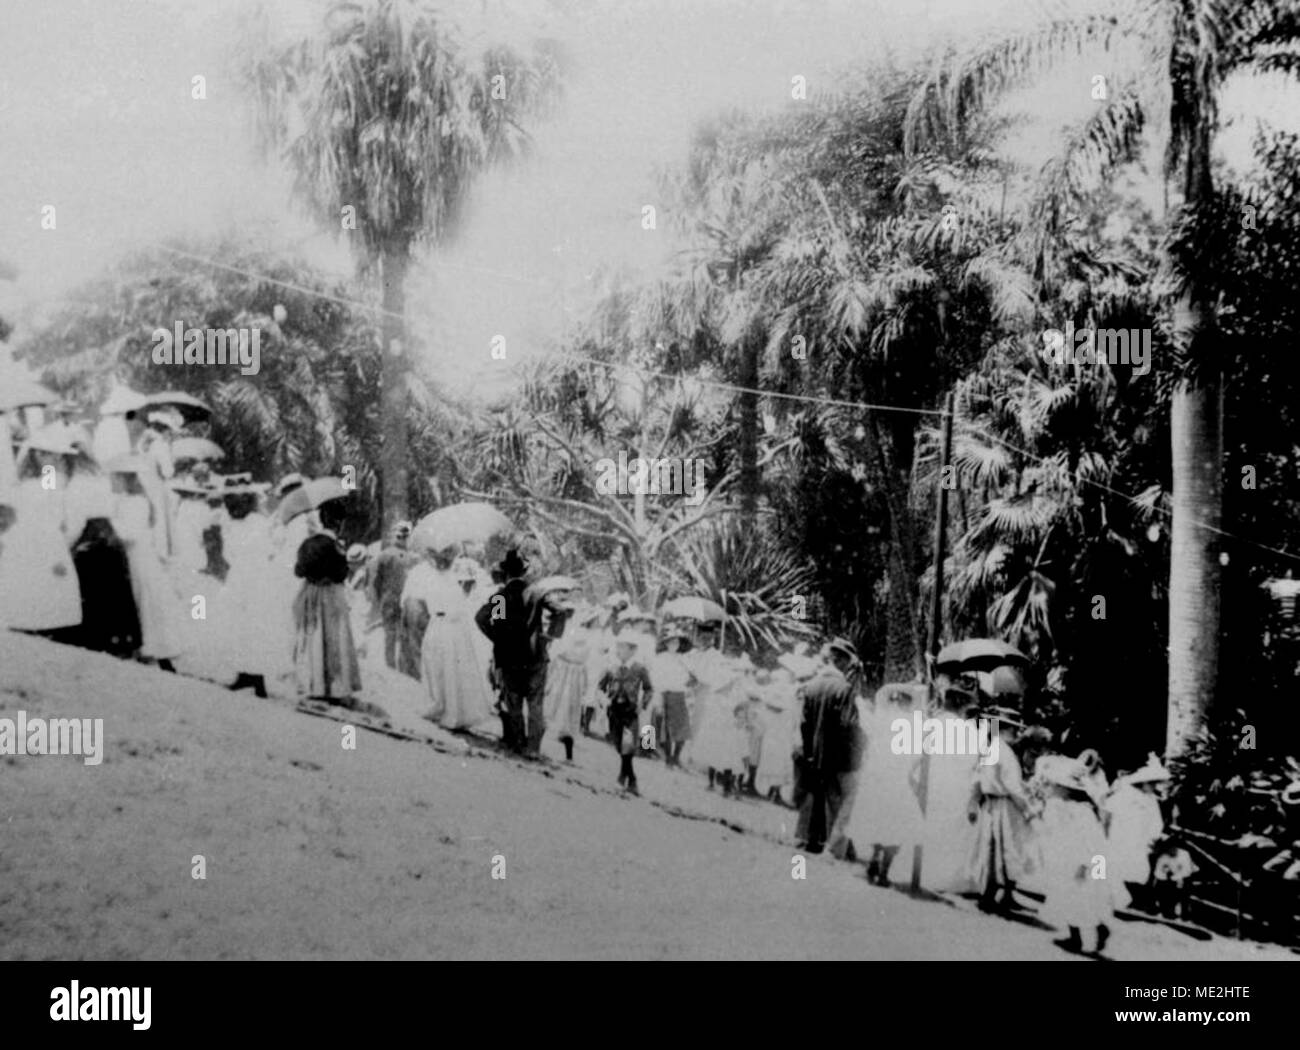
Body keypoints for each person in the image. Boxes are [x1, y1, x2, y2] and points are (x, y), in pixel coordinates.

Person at [0, 428, 86, 637]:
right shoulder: (25, 478)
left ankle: (41, 622)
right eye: (43, 454)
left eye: (51, 455)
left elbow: (52, 507)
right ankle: (22, 619)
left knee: (43, 578)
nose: (47, 458)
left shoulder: (50, 476)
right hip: (25, 532)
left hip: (44, 533)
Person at [1032, 754, 1118, 955]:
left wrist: (1083, 863)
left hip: (1086, 860)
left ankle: (1096, 929)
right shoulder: (1066, 808)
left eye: (1057, 786)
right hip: (1075, 857)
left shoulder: (1081, 811)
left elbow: (1088, 841)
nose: (1053, 789)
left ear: (1067, 789)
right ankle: (1075, 937)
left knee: (1084, 895)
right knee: (1070, 895)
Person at [406, 544, 495, 731]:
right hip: (437, 624)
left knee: (452, 669)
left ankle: (453, 712)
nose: (441, 561)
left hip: (452, 627)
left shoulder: (458, 576)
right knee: (435, 666)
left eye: (445, 557)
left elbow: (462, 601)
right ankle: (438, 704)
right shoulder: (431, 576)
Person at [845, 684, 926, 884]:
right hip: (897, 778)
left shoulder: (882, 719)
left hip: (878, 775)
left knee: (878, 819)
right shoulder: (913, 724)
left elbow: (869, 740)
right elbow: (917, 755)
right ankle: (883, 870)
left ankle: (875, 858)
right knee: (895, 823)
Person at [108, 457, 183, 672]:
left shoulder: (136, 502)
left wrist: (112, 524)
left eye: (115, 478)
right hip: (134, 555)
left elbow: (131, 533)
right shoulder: (126, 500)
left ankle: (155, 650)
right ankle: (141, 646)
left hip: (139, 556)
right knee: (140, 600)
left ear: (125, 479)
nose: (112, 482)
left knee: (147, 601)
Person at [475, 549, 552, 757]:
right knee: (535, 703)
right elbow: (559, 611)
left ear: (506, 574)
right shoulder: (535, 593)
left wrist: (496, 638)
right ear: (523, 572)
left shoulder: (501, 597)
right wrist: (549, 635)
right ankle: (534, 748)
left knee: (514, 702)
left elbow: (483, 619)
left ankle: (518, 743)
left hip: (510, 657)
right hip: (535, 656)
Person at [963, 706, 1038, 911]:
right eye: (1015, 730)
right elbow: (1012, 786)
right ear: (1005, 729)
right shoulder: (1002, 751)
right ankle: (994, 895)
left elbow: (977, 779)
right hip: (1004, 805)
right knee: (1007, 848)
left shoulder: (992, 748)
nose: (1017, 734)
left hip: (993, 804)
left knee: (994, 849)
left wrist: (974, 801)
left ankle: (998, 894)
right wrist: (1028, 809)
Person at [793, 638, 862, 854]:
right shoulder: (845, 689)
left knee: (813, 794)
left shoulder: (811, 685)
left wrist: (808, 749)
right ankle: (830, 844)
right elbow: (848, 725)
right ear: (841, 662)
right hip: (835, 753)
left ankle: (805, 838)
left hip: (811, 749)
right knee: (833, 799)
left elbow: (804, 722)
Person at [291, 499, 361, 705]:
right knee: (334, 639)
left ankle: (315, 684)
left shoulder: (308, 543)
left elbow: (298, 570)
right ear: (338, 523)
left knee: (313, 637)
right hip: (330, 595)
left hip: (310, 592)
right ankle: (334, 687)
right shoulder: (336, 546)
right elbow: (340, 574)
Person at [221, 486, 281, 698]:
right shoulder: (261, 523)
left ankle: (249, 674)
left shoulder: (237, 526)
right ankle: (253, 676)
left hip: (243, 579)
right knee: (253, 629)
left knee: (242, 627)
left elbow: (229, 555)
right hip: (259, 579)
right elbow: (271, 550)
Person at [1104, 753, 1170, 910]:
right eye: (1151, 783)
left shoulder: (1151, 799)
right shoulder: (1124, 794)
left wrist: (1154, 836)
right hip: (1122, 836)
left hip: (1140, 839)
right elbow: (1109, 812)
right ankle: (1113, 898)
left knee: (1139, 868)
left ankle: (1136, 899)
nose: (1154, 787)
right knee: (1115, 865)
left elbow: (1156, 821)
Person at [598, 635, 653, 795]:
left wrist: (642, 705)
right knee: (617, 743)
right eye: (618, 647)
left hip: (630, 711)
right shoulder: (611, 667)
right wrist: (604, 700)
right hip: (614, 710)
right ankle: (633, 778)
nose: (619, 651)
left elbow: (649, 689)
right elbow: (600, 687)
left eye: (623, 647)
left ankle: (622, 777)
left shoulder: (639, 668)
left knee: (627, 745)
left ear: (632, 650)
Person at [543, 600, 592, 762]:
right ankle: (563, 751)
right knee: (560, 713)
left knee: (558, 713)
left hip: (565, 680)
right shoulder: (572, 636)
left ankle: (561, 750)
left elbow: (557, 658)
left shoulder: (570, 636)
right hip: (567, 681)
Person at [369, 520, 415, 671]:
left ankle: (390, 665)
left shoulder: (383, 556)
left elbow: (376, 581)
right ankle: (402, 665)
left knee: (390, 633)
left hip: (389, 598)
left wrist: (378, 599)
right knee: (403, 633)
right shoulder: (412, 558)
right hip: (405, 600)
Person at [652, 627, 694, 767]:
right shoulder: (660, 658)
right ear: (666, 643)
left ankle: (676, 757)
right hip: (666, 694)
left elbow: (690, 677)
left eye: (676, 643)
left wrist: (688, 680)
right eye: (671, 642)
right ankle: (668, 757)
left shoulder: (683, 659)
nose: (674, 645)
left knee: (682, 729)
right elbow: (656, 678)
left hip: (679, 695)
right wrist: (658, 698)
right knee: (667, 729)